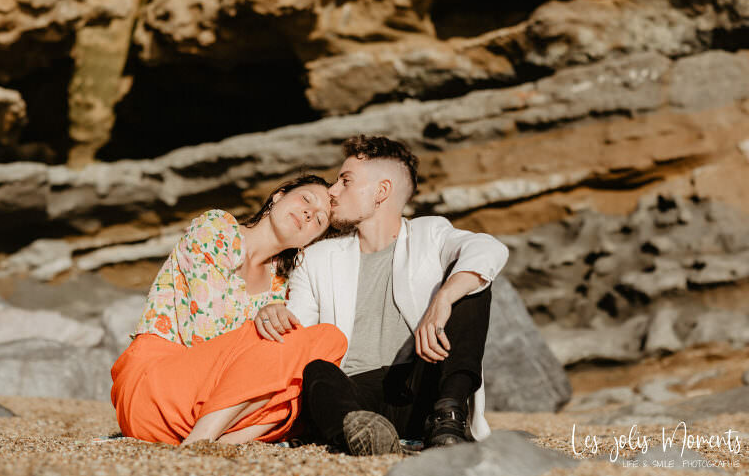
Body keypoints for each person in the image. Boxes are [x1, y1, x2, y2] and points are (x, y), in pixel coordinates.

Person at [254, 136, 509, 455]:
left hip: (423, 389)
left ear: (381, 191)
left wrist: (443, 298)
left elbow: (488, 248)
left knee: (470, 285)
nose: (332, 191)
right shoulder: (318, 258)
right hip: (354, 398)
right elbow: (300, 337)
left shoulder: (429, 234)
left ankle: (448, 418)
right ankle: (359, 435)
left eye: (345, 181)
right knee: (316, 369)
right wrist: (272, 312)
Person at [110, 175, 347, 446]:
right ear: (278, 196)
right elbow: (202, 332)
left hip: (206, 410)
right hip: (154, 388)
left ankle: (221, 444)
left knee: (329, 338)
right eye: (306, 199)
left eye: (319, 220)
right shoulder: (216, 228)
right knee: (286, 339)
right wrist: (261, 332)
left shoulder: (281, 289)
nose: (309, 213)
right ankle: (203, 442)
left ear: (310, 242)